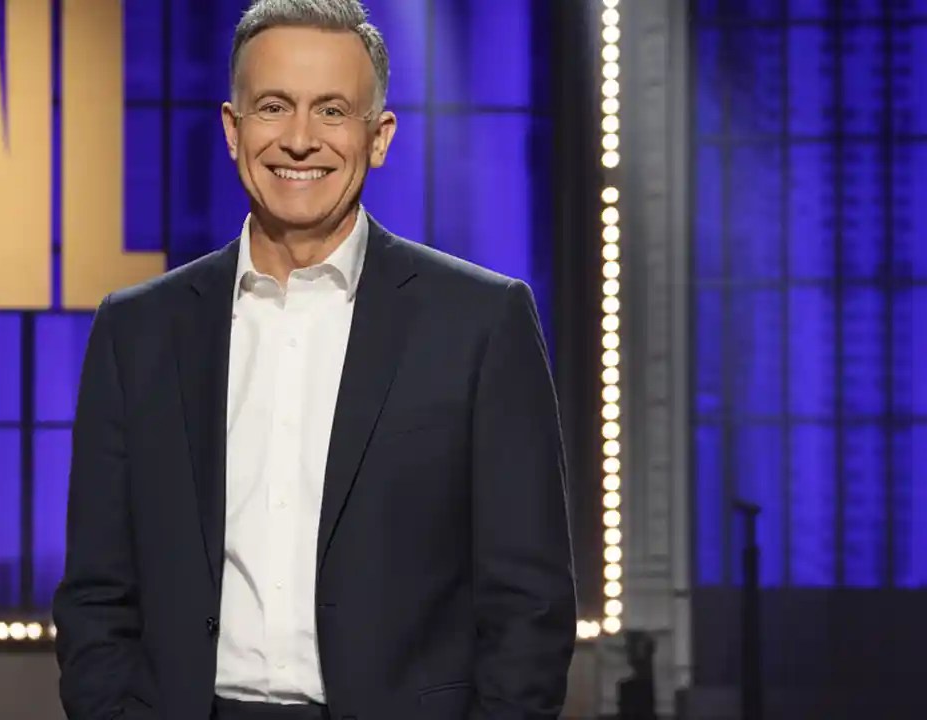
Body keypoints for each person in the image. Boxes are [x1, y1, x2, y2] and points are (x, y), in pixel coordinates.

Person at [53, 1, 577, 718]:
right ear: (234, 131)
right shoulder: (138, 330)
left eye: (332, 111)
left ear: (379, 136)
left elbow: (531, 605)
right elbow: (97, 590)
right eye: (274, 107)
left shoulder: (481, 325)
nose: (300, 140)